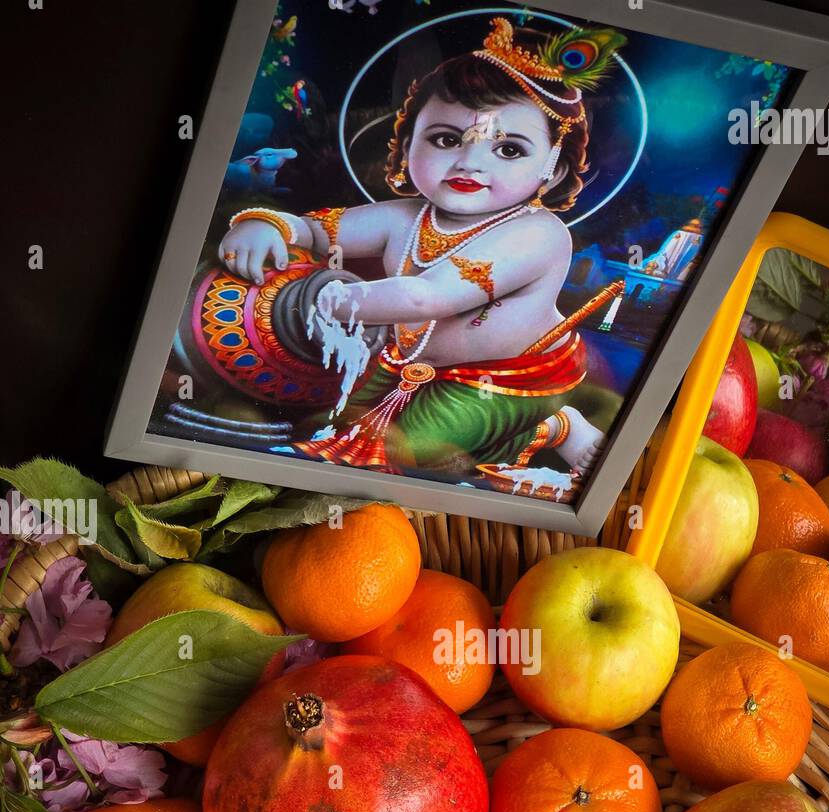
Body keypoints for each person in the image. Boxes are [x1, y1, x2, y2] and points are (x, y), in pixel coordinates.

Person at [216, 17, 625, 491]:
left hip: (505, 379)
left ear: (552, 170)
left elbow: (426, 298)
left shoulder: (539, 234)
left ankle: (553, 427)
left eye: (509, 150)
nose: (470, 162)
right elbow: (316, 231)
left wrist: (328, 301)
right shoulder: (406, 217)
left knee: (411, 453)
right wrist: (265, 223)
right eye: (446, 140)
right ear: (408, 143)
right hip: (403, 361)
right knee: (332, 424)